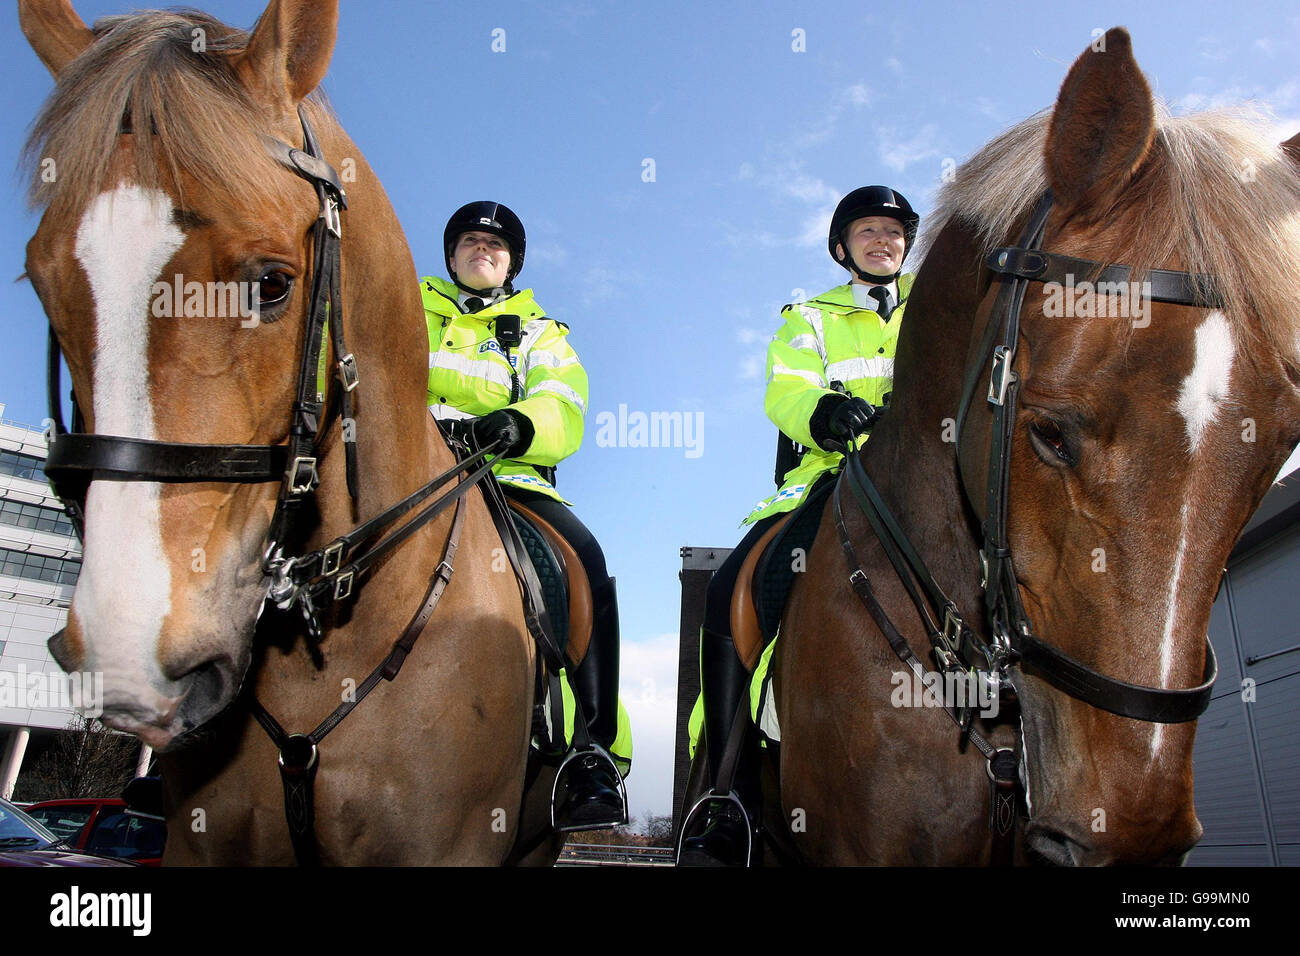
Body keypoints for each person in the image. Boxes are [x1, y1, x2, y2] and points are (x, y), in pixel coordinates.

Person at [679, 185, 920, 865]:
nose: (883, 241)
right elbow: (784, 387)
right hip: (834, 474)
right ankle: (727, 795)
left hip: (930, 474)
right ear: (843, 248)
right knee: (732, 592)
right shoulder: (807, 316)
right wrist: (822, 413)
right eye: (868, 232)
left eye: (893, 233)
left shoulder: (938, 309)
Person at [422, 201, 630, 829]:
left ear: (512, 263)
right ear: (450, 254)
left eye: (496, 244)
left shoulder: (542, 331)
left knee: (584, 561)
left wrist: (521, 422)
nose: (482, 249)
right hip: (404, 468)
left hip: (502, 474)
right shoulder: (405, 308)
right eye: (469, 241)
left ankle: (591, 751)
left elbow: (563, 404)